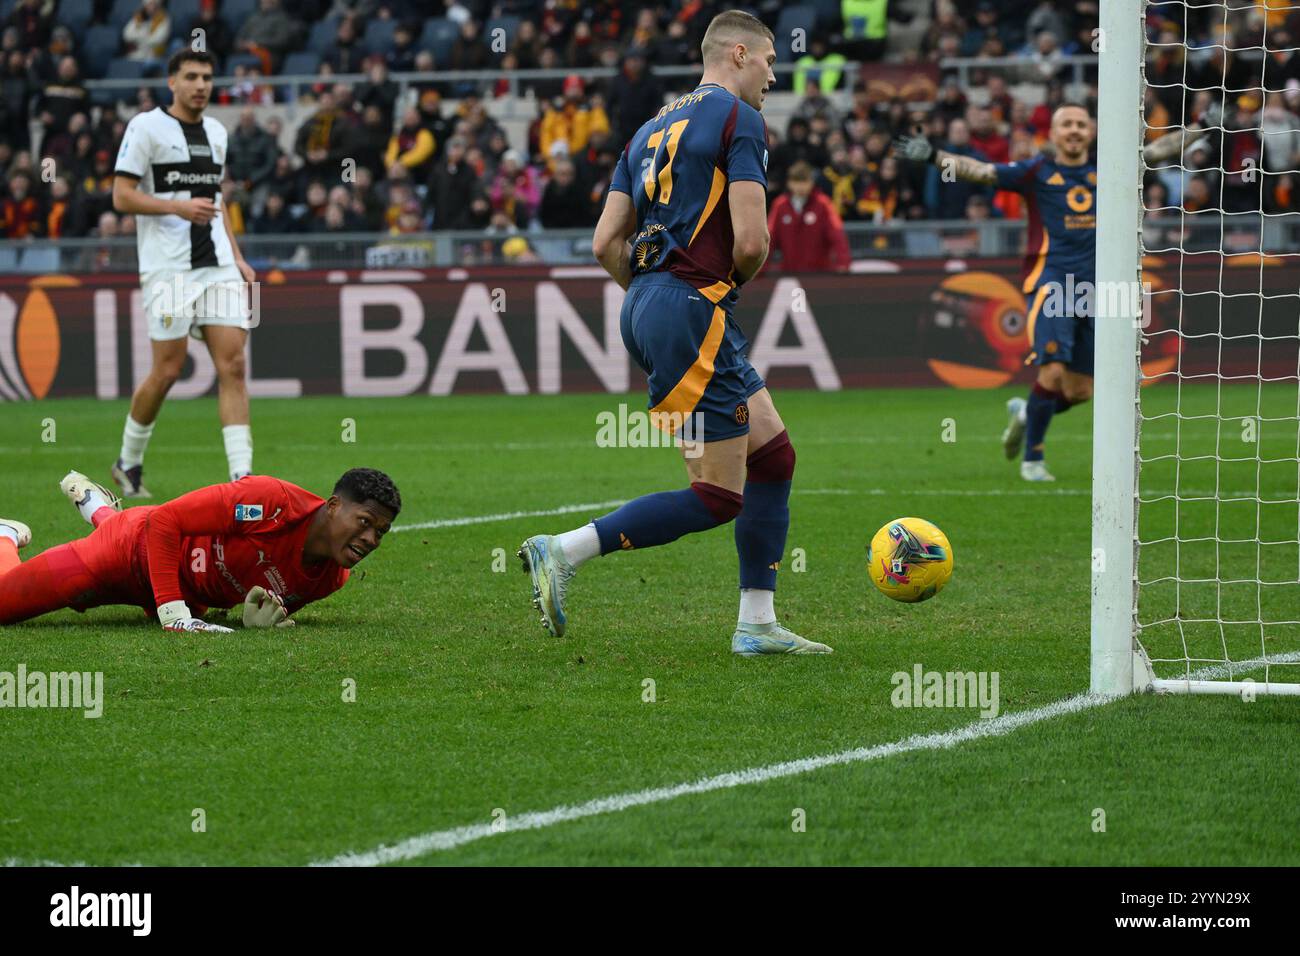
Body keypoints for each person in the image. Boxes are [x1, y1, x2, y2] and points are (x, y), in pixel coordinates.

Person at [518, 11, 831, 657]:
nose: (775, 75)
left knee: (774, 457)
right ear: (739, 53)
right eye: (771, 61)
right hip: (693, 308)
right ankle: (565, 550)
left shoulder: (647, 128)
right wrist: (715, 286)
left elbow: (605, 241)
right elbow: (752, 240)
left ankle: (757, 623)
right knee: (718, 494)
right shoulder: (738, 119)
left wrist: (655, 294)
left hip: (648, 303)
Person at [0, 468, 400, 631]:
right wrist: (173, 616)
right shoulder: (270, 501)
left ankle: (100, 508)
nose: (370, 540)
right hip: (126, 552)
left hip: (184, 591)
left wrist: (255, 622)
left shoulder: (332, 577)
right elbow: (164, 523)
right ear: (333, 507)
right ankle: (6, 534)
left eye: (380, 533)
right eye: (365, 523)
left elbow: (258, 600)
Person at [112, 49, 256, 497]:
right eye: (191, 76)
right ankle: (128, 461)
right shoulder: (145, 127)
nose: (201, 85)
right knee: (168, 369)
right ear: (171, 82)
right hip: (168, 268)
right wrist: (176, 205)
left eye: (208, 77)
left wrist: (237, 256)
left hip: (217, 266)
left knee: (232, 365)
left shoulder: (216, 131)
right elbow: (121, 196)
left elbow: (214, 201)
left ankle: (242, 478)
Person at [765, 160, 850, 273]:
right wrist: (760, 269)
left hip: (820, 274)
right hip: (789, 274)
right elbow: (769, 237)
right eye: (796, 181)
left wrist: (843, 263)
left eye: (804, 181)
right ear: (789, 183)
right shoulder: (780, 205)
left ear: (811, 182)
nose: (800, 186)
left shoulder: (823, 204)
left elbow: (837, 234)